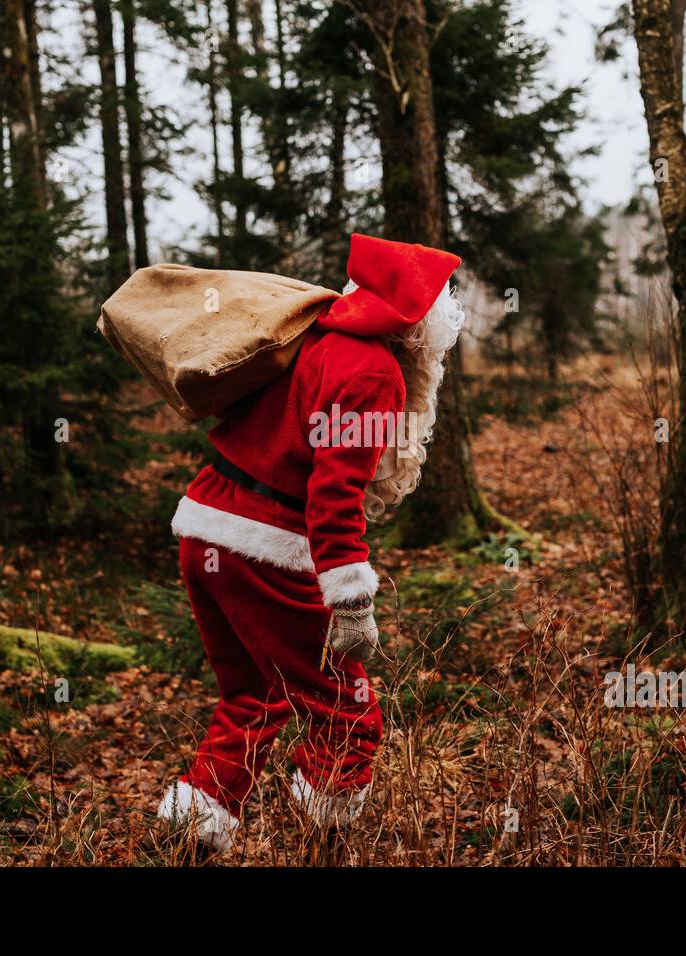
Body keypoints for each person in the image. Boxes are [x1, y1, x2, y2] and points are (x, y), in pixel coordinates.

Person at [158, 233, 465, 854]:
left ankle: (192, 832)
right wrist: (351, 600)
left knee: (253, 695)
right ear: (420, 329)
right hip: (263, 548)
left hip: (203, 527)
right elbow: (335, 496)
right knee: (349, 715)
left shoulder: (313, 339)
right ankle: (324, 843)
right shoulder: (376, 375)